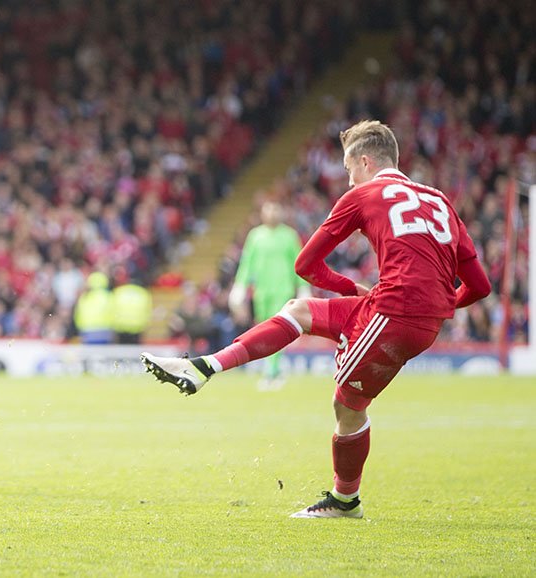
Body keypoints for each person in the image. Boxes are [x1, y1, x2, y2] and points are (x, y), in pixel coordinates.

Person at [141, 120, 491, 518]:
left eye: (348, 169)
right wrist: (438, 306)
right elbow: (479, 286)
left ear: (364, 162)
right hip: (410, 314)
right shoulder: (440, 200)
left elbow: (306, 264)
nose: (349, 179)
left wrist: (352, 288)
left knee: (348, 404)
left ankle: (345, 501)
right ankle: (204, 367)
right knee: (300, 314)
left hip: (394, 312)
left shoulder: (363, 195)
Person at [228, 201, 309, 389]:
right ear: (262, 213)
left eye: (275, 209)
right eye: (269, 209)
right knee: (264, 330)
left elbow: (299, 262)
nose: (272, 213)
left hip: (283, 290)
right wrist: (240, 286)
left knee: (276, 330)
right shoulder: (255, 236)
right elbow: (247, 263)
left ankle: (271, 371)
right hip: (261, 291)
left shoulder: (289, 236)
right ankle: (273, 369)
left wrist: (303, 286)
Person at [74, 272, 115, 344]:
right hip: (105, 331)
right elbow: (114, 314)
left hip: (87, 331)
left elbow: (78, 315)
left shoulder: (85, 297)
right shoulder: (109, 296)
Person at [110, 273, 153, 344]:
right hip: (137, 327)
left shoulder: (119, 291)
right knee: (135, 349)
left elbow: (111, 309)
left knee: (122, 349)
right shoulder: (143, 293)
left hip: (121, 326)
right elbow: (147, 311)